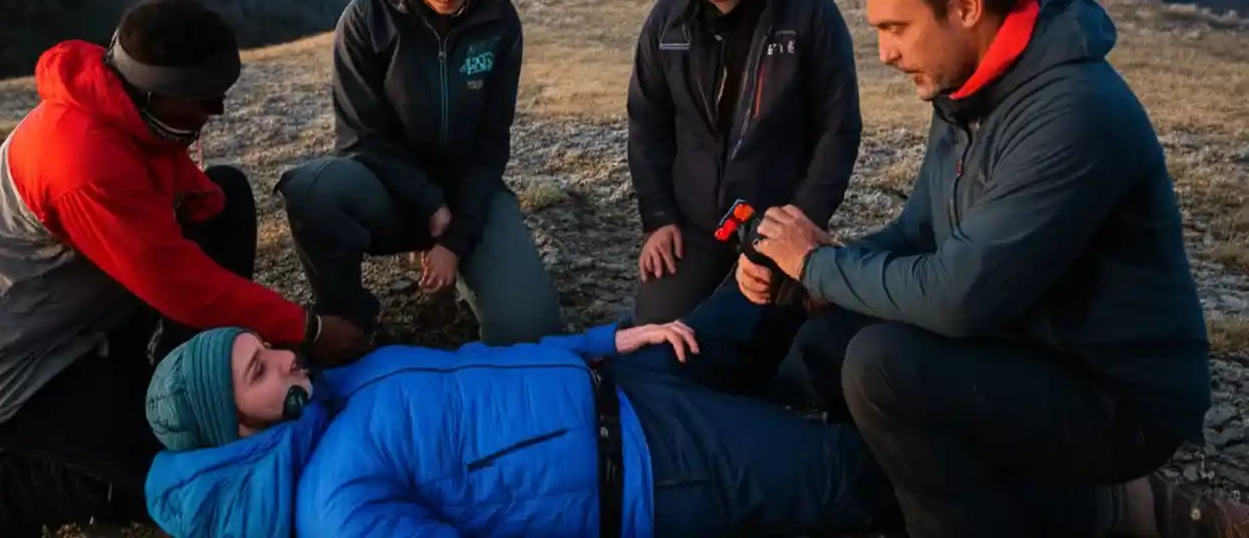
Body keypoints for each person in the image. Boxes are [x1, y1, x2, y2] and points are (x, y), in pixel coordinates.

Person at [745, 0, 1247, 537]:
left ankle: (1062, 510)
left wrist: (819, 266)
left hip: (1116, 398)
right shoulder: (966, 87)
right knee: (828, 340)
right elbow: (917, 234)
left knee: (881, 368)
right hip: (1028, 346)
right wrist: (814, 281)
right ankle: (1053, 507)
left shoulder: (1072, 112)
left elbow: (960, 298)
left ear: (965, 9)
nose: (885, 53)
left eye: (897, 28)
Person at [0, 0, 370, 536]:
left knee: (223, 194)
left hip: (87, 309)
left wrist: (194, 195)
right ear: (154, 92)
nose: (216, 114)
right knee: (171, 470)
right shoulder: (82, 163)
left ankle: (179, 376)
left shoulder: (120, 104)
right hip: (22, 372)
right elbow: (183, 288)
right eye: (204, 102)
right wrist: (308, 328)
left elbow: (166, 184)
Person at [141, 290, 903, 538]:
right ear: (237, 431)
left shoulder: (340, 392)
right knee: (858, 479)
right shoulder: (337, 509)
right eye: (258, 373)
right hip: (653, 471)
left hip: (625, 380)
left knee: (768, 288)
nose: (284, 358)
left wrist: (608, 339)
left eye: (264, 349)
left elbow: (486, 368)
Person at [277, 0, 562, 346]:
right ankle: (347, 322)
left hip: (468, 193)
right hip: (387, 190)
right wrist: (429, 203)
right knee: (313, 189)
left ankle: (472, 273)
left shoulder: (499, 20)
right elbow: (361, 140)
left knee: (530, 330)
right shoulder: (365, 21)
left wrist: (455, 238)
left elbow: (492, 144)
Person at [626, 0, 862, 326]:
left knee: (772, 350)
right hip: (692, 226)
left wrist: (803, 224)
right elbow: (646, 119)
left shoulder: (811, 16)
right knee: (656, 333)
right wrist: (658, 217)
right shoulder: (668, 18)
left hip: (777, 226)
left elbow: (838, 129)